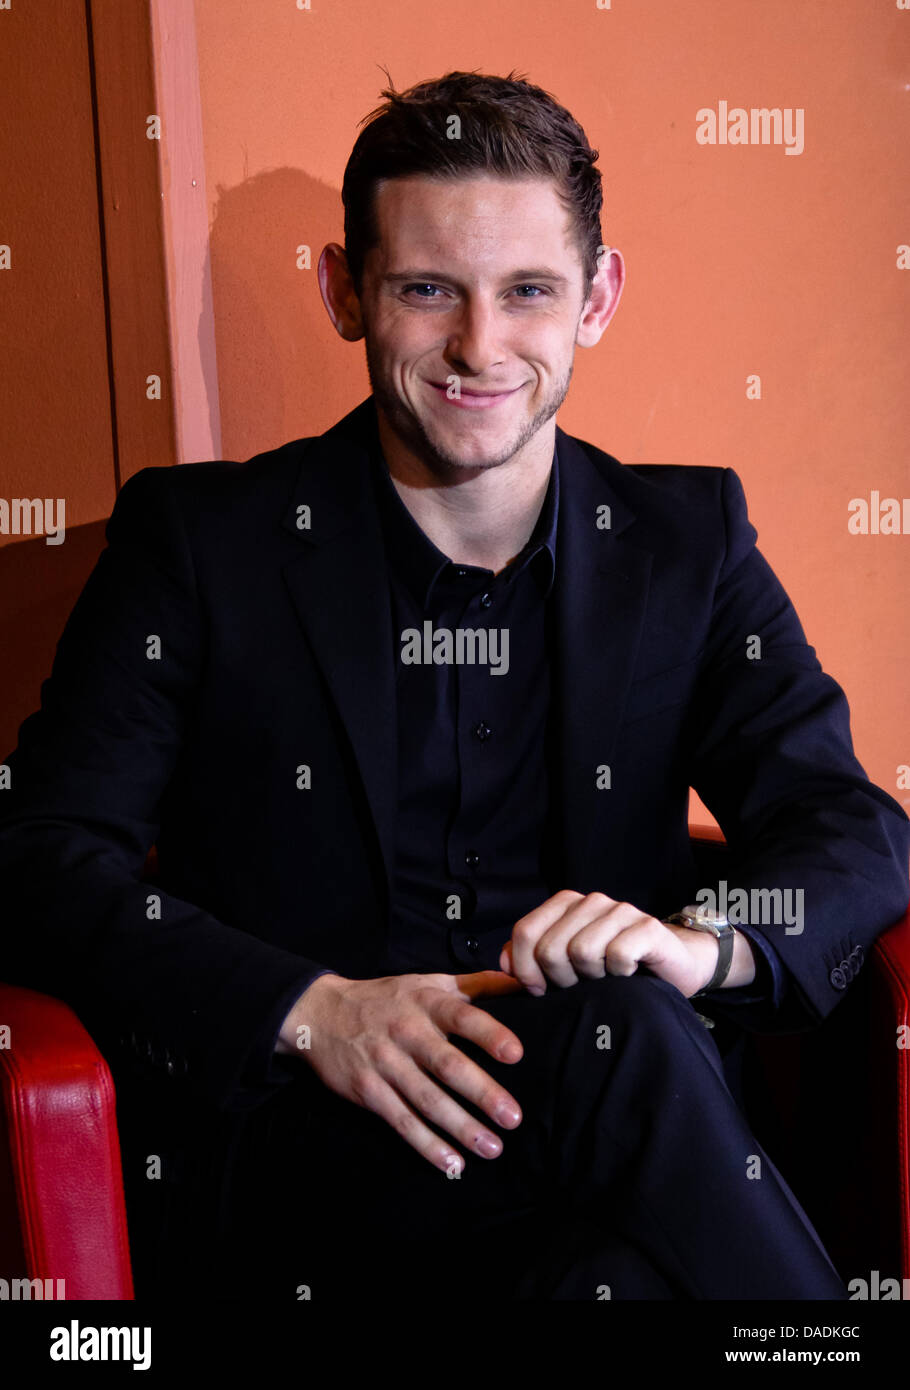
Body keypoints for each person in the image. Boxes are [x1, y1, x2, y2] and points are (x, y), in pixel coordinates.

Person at [1, 70, 907, 1301]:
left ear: (597, 297)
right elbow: (40, 856)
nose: (479, 347)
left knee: (619, 1235)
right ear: (345, 292)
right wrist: (311, 1008)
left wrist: (705, 946)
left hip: (608, 1164)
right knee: (625, 1035)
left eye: (527, 290)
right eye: (427, 289)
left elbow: (849, 825)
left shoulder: (684, 541)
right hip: (305, 1161)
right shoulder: (201, 544)